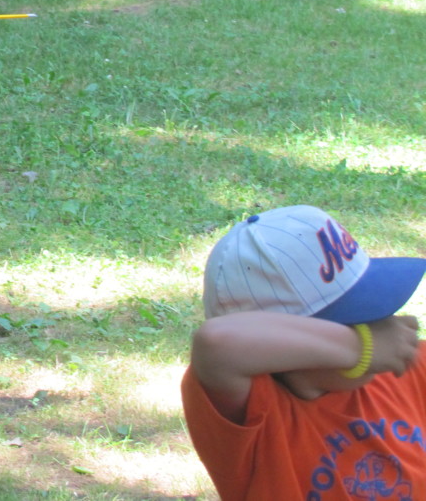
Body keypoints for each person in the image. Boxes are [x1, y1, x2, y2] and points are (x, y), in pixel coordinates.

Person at [182, 204, 426, 500]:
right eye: (356, 320)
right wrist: (360, 348)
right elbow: (215, 342)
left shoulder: (409, 367)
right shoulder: (257, 414)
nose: (381, 325)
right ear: (280, 352)